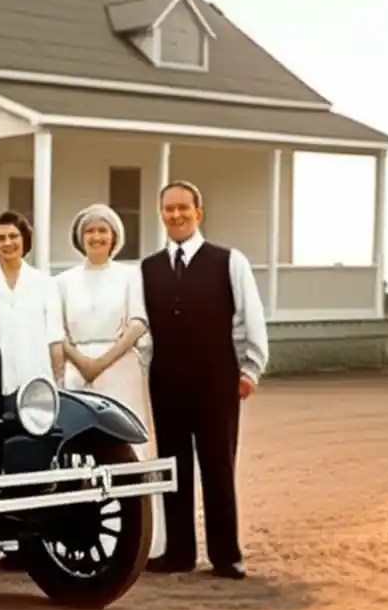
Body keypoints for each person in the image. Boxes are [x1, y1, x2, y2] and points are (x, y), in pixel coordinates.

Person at [139, 180, 268, 580]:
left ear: (199, 212)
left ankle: (226, 554)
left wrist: (250, 370)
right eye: (169, 209)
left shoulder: (229, 261)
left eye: (183, 208)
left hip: (216, 381)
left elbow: (251, 317)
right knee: (174, 467)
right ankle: (178, 551)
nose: (176, 216)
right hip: (167, 382)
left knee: (217, 465)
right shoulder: (148, 268)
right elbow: (143, 331)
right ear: (161, 215)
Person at [55, 203, 164, 559]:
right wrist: (81, 362)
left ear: (114, 237)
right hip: (77, 370)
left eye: (103, 231)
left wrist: (102, 360)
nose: (96, 237)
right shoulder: (64, 281)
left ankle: (141, 540)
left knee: (127, 448)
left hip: (119, 369)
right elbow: (58, 331)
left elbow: (138, 323)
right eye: (90, 231)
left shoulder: (129, 275)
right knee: (78, 451)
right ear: (80, 238)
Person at [0, 210, 64, 403]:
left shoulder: (46, 284)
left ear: (24, 239)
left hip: (39, 383)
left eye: (13, 236)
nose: (8, 243)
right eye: (1, 238)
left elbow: (55, 342)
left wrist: (59, 386)